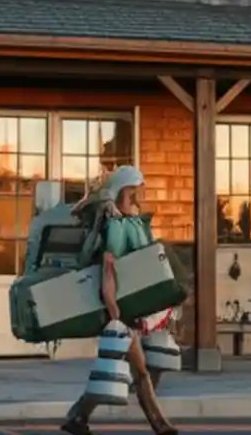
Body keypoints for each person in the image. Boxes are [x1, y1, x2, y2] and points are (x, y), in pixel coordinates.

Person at [62, 165, 177, 435]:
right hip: (120, 311)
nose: (140, 195)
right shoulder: (116, 225)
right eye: (135, 190)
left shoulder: (134, 222)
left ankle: (78, 417)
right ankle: (161, 425)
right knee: (141, 372)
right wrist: (113, 308)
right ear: (125, 191)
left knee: (124, 371)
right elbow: (109, 265)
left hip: (133, 308)